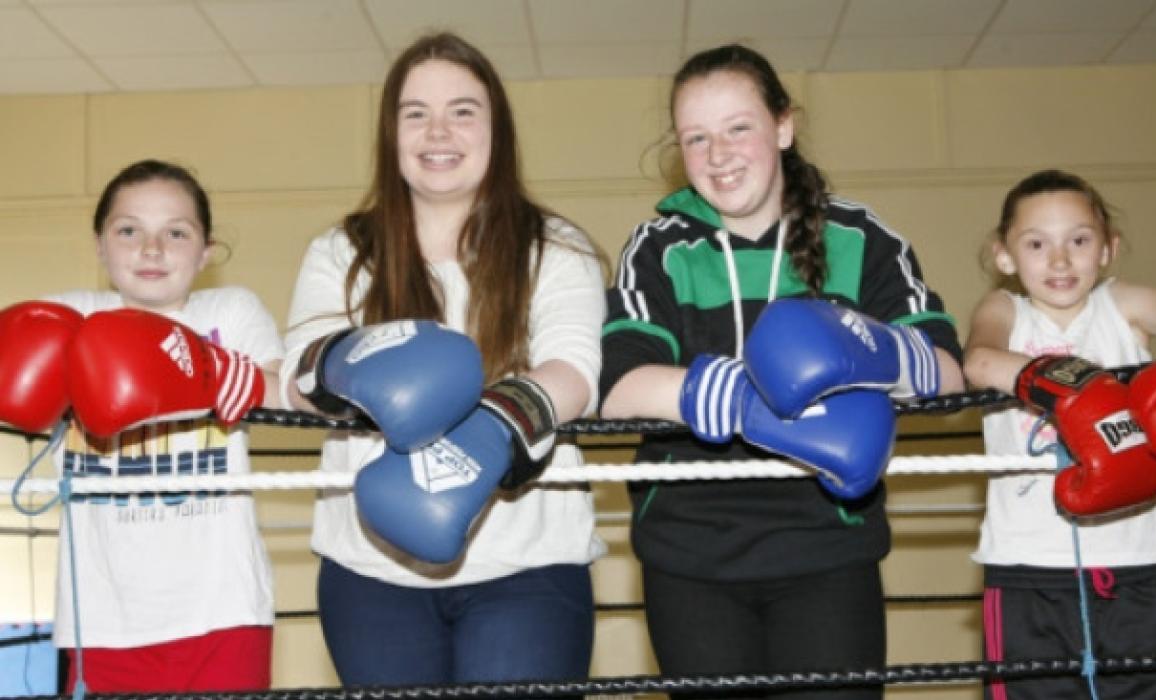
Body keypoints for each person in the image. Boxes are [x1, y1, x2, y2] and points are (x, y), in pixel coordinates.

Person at [599, 44, 964, 699]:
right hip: (691, 552)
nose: (718, 154)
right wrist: (745, 402)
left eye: (738, 127)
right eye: (696, 138)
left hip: (826, 545)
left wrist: (876, 353)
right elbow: (616, 386)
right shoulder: (658, 247)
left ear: (784, 126)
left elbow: (949, 377)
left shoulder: (859, 237)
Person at [278, 32, 606, 687]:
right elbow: (294, 376)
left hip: (529, 563)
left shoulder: (556, 246)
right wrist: (353, 365)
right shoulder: (342, 251)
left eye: (463, 110)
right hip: (370, 568)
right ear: (390, 133)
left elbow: (576, 371)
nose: (438, 131)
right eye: (415, 113)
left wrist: (485, 434)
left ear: (497, 130)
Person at [29, 159, 282, 692]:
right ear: (99, 244)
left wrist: (211, 372)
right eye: (129, 230)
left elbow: (288, 389)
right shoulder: (71, 317)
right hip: (102, 619)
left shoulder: (230, 313)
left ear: (206, 250)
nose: (152, 249)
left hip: (223, 609)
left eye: (175, 232)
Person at [963, 168, 1156, 699]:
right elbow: (979, 362)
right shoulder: (1006, 309)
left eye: (1079, 240)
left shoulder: (1123, 307)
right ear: (1004, 255)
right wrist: (1074, 387)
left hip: (1134, 561)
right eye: (1037, 243)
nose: (1060, 259)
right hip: (1029, 569)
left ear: (1108, 248)